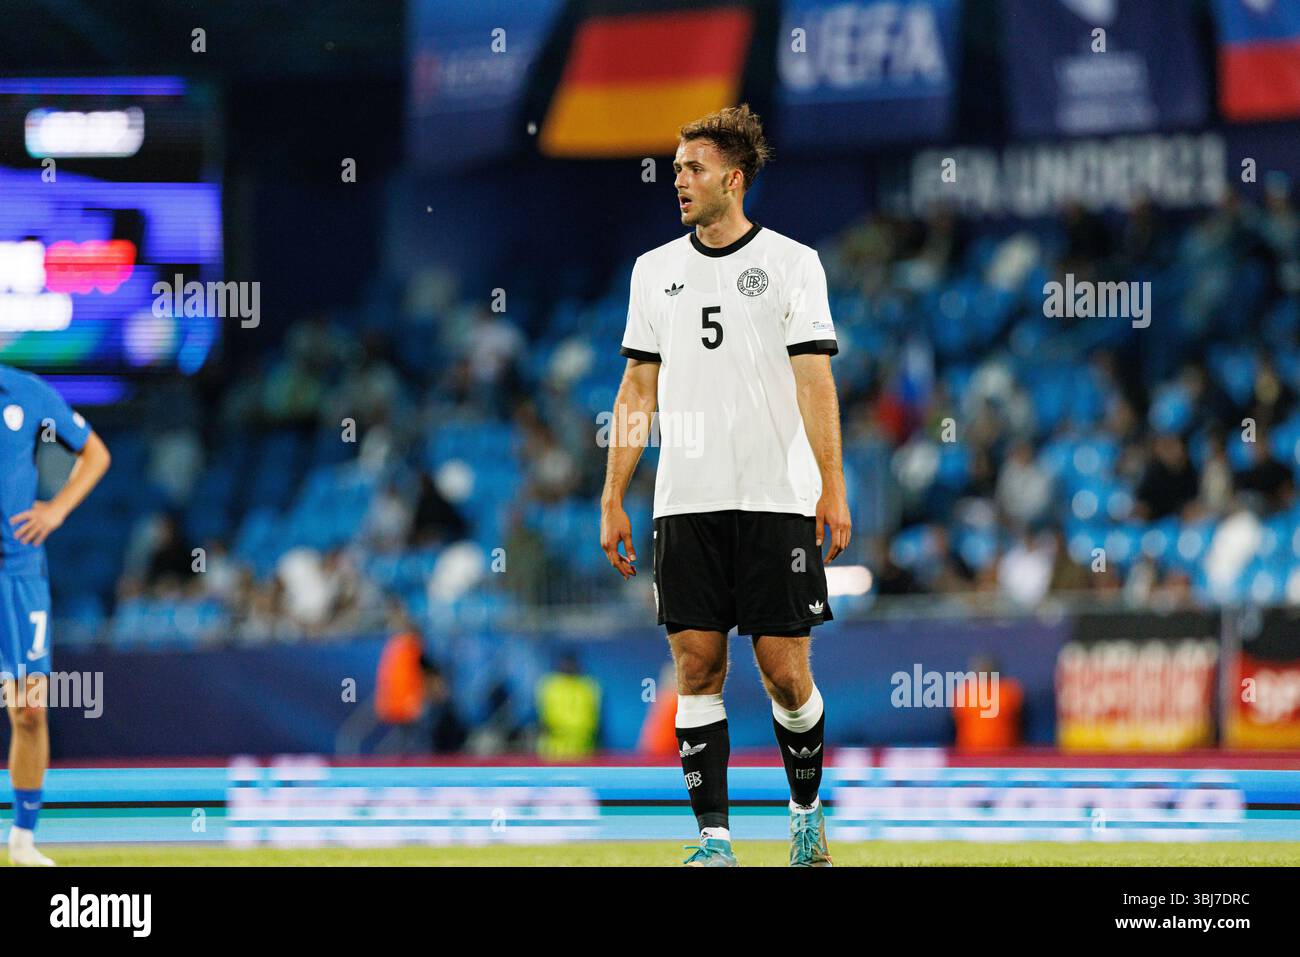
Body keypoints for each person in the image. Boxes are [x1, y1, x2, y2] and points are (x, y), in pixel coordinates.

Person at [599, 105, 848, 867]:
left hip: (775, 497)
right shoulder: (653, 271)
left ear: (733, 180)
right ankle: (715, 840)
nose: (678, 179)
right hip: (685, 501)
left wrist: (832, 485)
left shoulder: (793, 263)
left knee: (785, 672)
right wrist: (612, 492)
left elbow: (815, 381)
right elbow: (637, 388)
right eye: (675, 168)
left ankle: (804, 813)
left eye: (693, 167)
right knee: (697, 665)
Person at [0, 364, 111, 865]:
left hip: (18, 574)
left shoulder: (27, 393)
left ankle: (22, 838)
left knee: (30, 710)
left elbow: (95, 453)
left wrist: (57, 509)